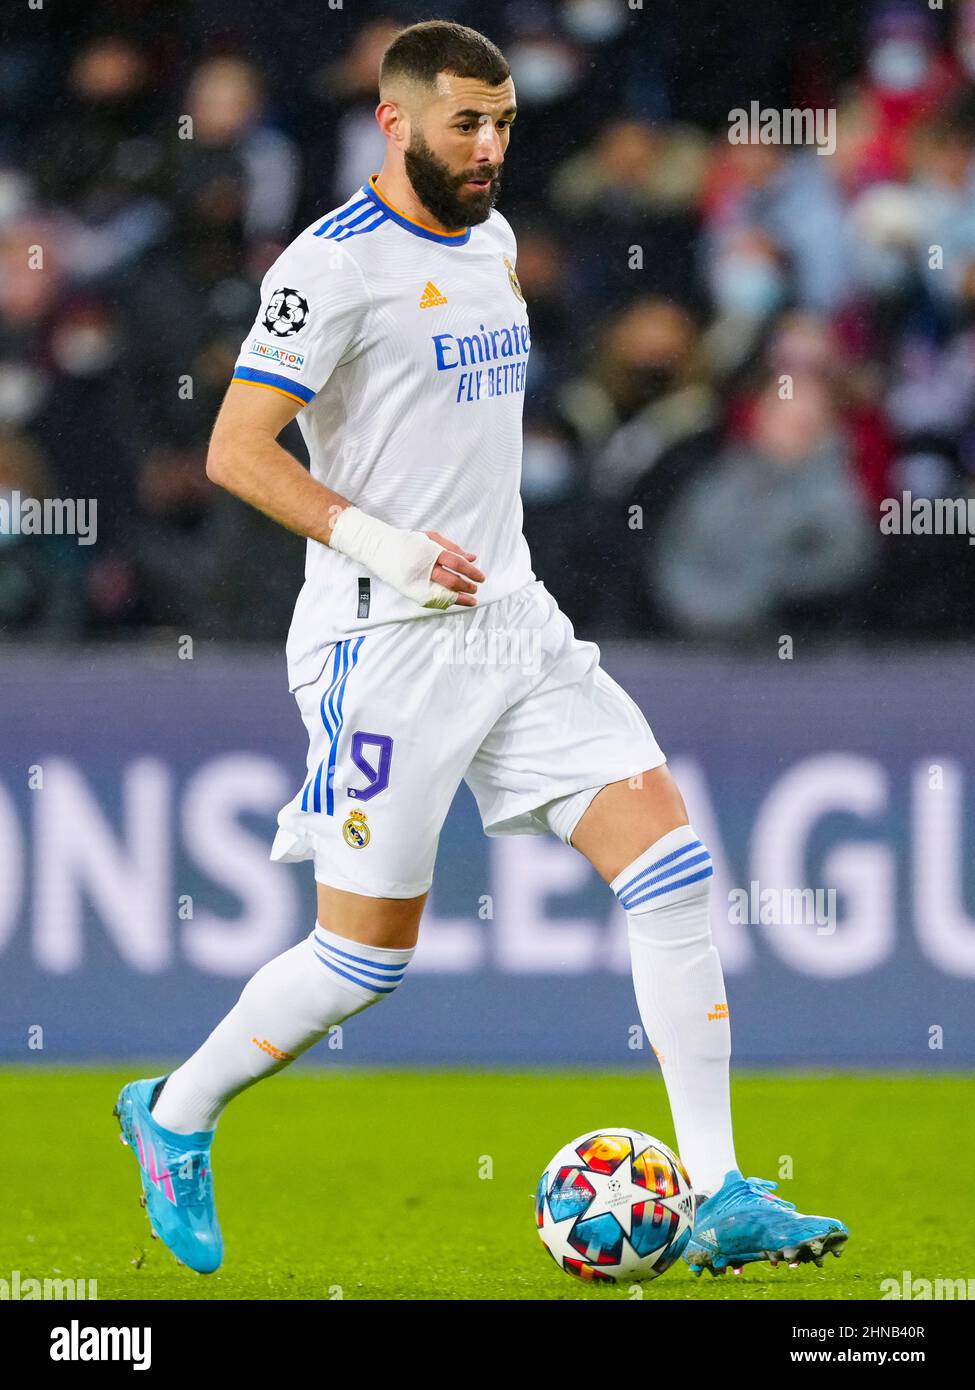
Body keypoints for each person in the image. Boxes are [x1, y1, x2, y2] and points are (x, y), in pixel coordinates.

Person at [114, 19, 848, 1281]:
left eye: (503, 122)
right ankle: (173, 1112)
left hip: (515, 626)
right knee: (361, 963)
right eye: (467, 122)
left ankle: (721, 1186)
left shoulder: (497, 238)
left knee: (669, 869)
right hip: (382, 640)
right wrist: (389, 546)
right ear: (395, 121)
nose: (492, 147)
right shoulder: (326, 268)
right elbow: (237, 452)